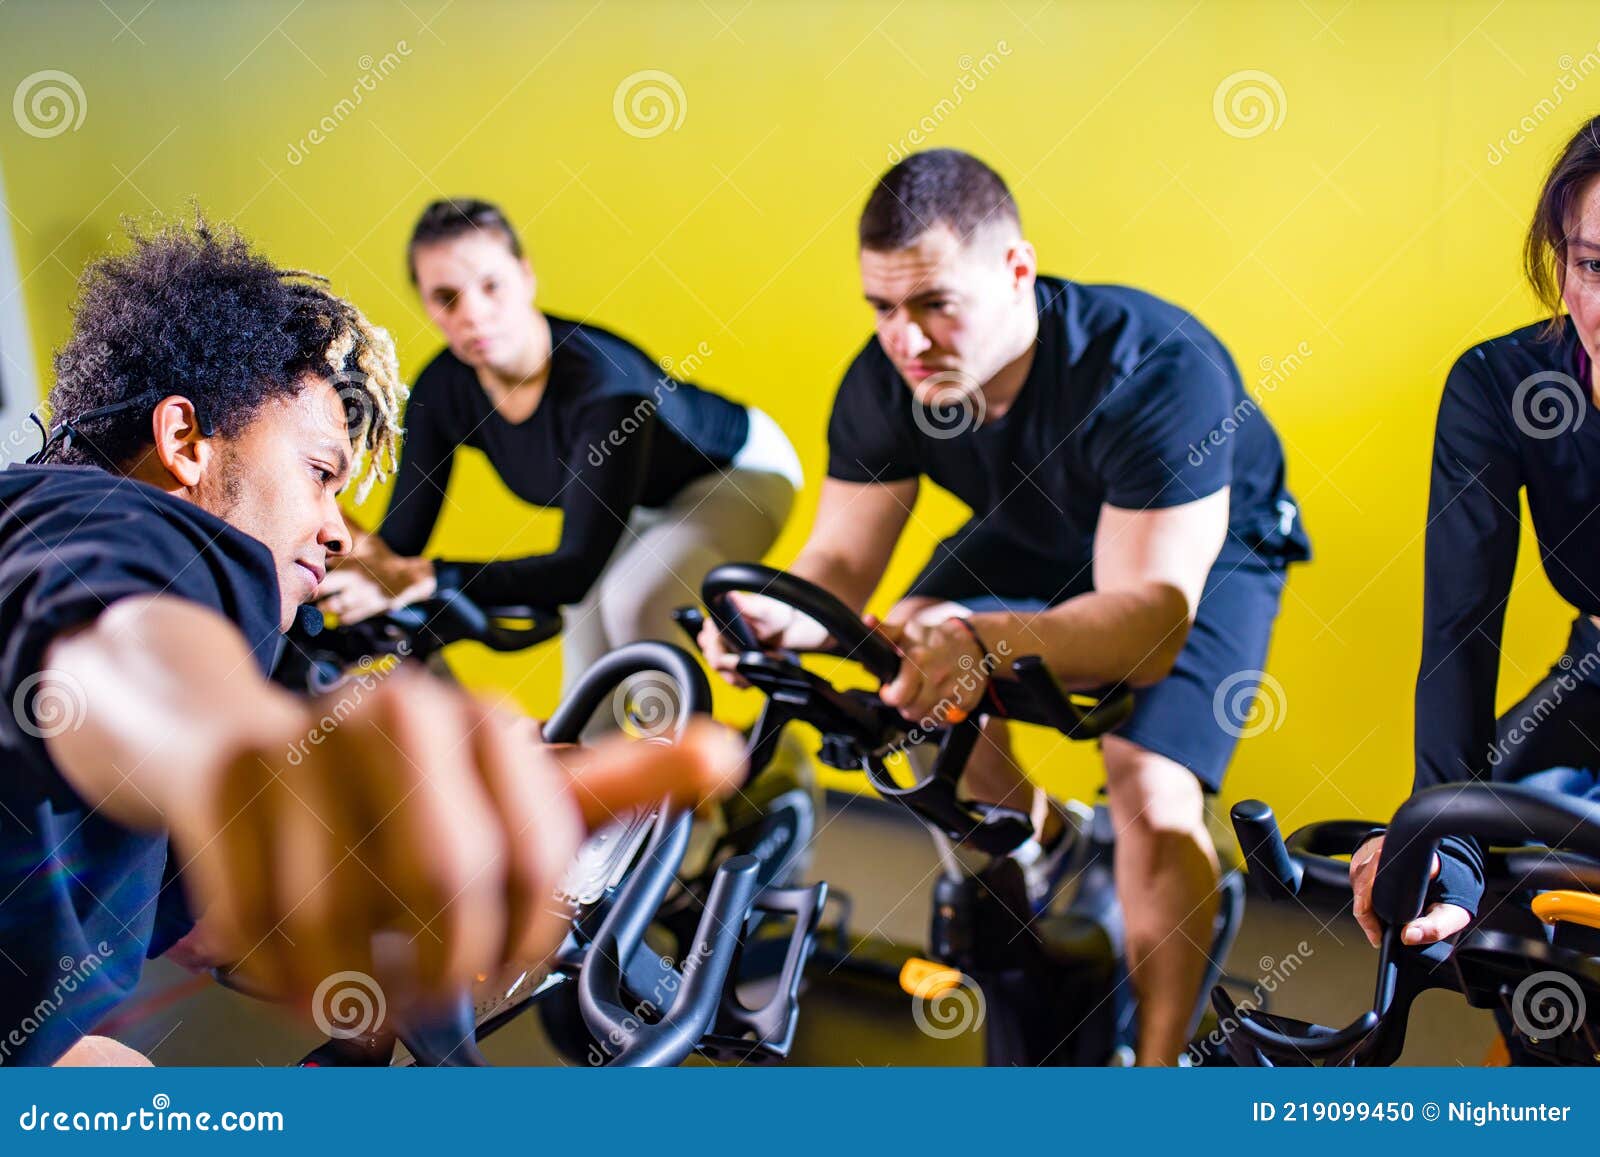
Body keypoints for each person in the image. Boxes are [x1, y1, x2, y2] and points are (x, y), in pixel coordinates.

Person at [0, 216, 740, 1067]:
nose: (336, 530)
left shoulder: (39, 516)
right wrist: (240, 758)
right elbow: (124, 656)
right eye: (320, 474)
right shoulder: (130, 533)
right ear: (185, 441)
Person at [699, 149, 1310, 1065]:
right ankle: (1058, 844)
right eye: (882, 308)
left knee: (1148, 784)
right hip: (1040, 521)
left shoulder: (1151, 373)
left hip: (1201, 554)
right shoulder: (888, 378)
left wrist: (979, 639)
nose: (906, 339)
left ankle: (1154, 1060)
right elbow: (839, 564)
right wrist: (771, 617)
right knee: (905, 649)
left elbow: (1145, 631)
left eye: (936, 304)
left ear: (1016, 271)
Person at [318, 199, 804, 703]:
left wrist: (428, 577)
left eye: (491, 286)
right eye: (447, 298)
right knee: (586, 703)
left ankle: (704, 769)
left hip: (736, 473)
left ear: (526, 278)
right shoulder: (443, 389)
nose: (474, 316)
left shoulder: (604, 391)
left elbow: (572, 570)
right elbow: (401, 546)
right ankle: (615, 772)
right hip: (640, 505)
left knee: (632, 602)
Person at [1349, 116, 1600, 957]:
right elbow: (1460, 631)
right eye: (1595, 266)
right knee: (1447, 857)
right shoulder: (1502, 386)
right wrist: (1444, 839)